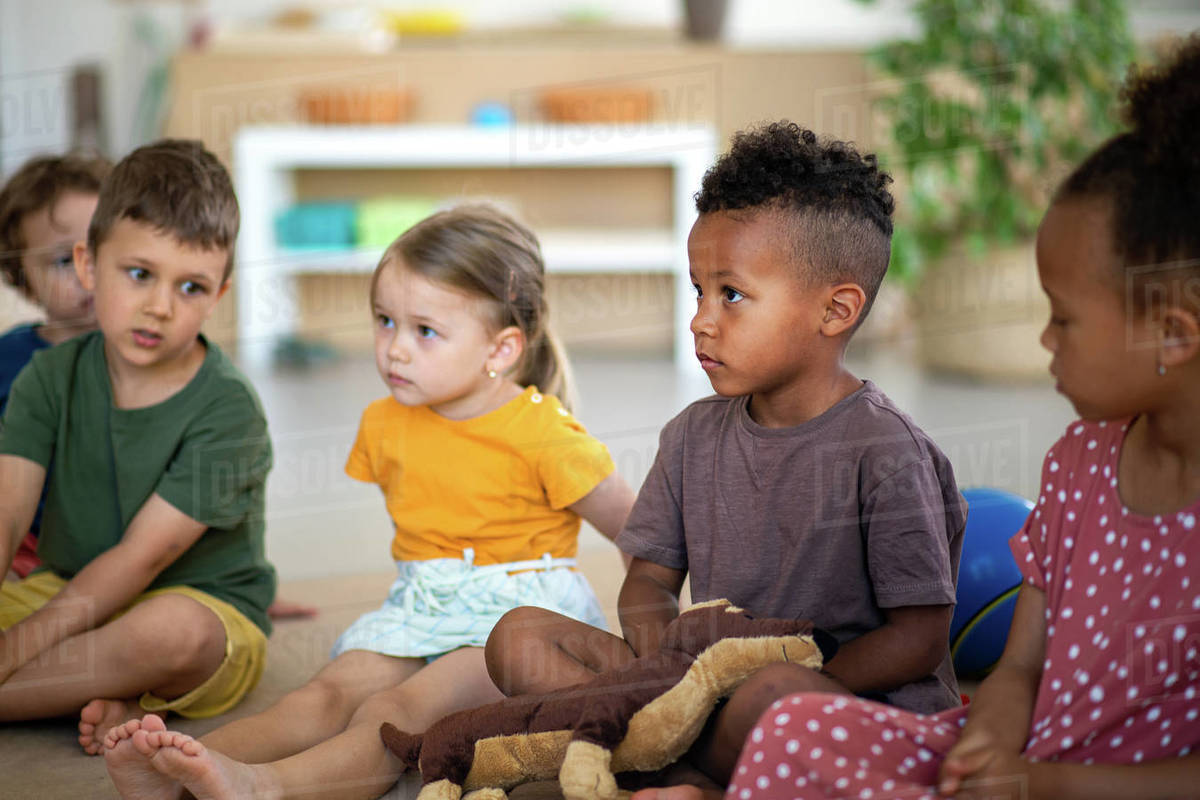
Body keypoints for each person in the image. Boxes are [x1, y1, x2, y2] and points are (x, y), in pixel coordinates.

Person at [717, 36, 1200, 800]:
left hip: (1101, 787)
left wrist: (1046, 785)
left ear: (1172, 332)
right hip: (1030, 763)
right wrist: (985, 748)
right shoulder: (1079, 463)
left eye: (1065, 320)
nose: (1045, 339)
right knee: (790, 727)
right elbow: (1021, 668)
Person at [484, 121, 969, 794]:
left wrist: (792, 683)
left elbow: (918, 638)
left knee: (770, 696)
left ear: (835, 310)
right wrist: (669, 675)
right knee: (518, 638)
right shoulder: (690, 435)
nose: (701, 320)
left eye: (731, 295)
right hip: (702, 688)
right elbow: (649, 583)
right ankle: (681, 765)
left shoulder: (887, 452)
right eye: (698, 291)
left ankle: (678, 771)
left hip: (843, 708)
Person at [102, 204, 638, 800]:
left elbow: (641, 536)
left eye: (424, 331)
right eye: (384, 320)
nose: (395, 349)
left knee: (398, 707)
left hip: (512, 620)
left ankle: (265, 788)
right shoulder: (385, 423)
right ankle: (181, 772)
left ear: (502, 349)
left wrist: (645, 653)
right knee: (321, 695)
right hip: (420, 605)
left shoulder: (546, 435)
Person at [0, 140, 277, 753]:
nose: (159, 307)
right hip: (64, 586)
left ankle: (62, 681)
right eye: (139, 274)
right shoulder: (47, 377)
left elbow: (140, 561)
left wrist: (14, 648)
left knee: (171, 637)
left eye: (191, 287)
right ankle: (97, 687)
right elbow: (9, 514)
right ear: (88, 264)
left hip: (196, 603)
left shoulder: (230, 410)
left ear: (219, 295)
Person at [0, 153, 111, 580]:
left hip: (137, 538)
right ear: (22, 277)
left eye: (103, 251)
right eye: (65, 261)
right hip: (32, 544)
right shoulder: (10, 360)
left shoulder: (148, 353)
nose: (89, 274)